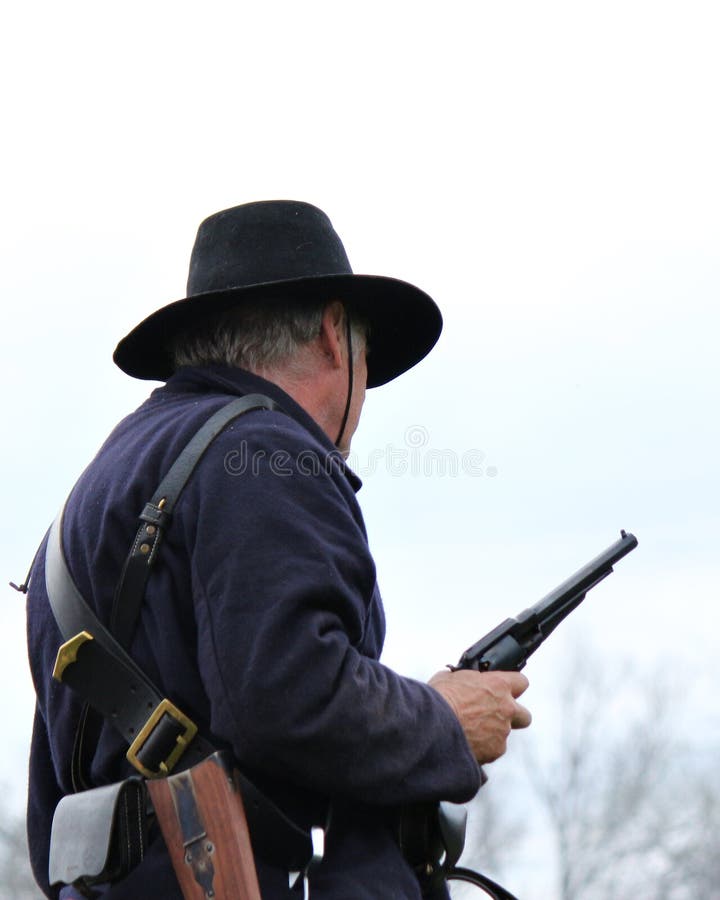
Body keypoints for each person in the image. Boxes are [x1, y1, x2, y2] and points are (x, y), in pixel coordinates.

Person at [25, 200, 531, 899]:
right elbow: (292, 700)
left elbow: (59, 782)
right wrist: (444, 721)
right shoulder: (267, 452)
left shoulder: (104, 485)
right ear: (332, 335)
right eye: (364, 348)